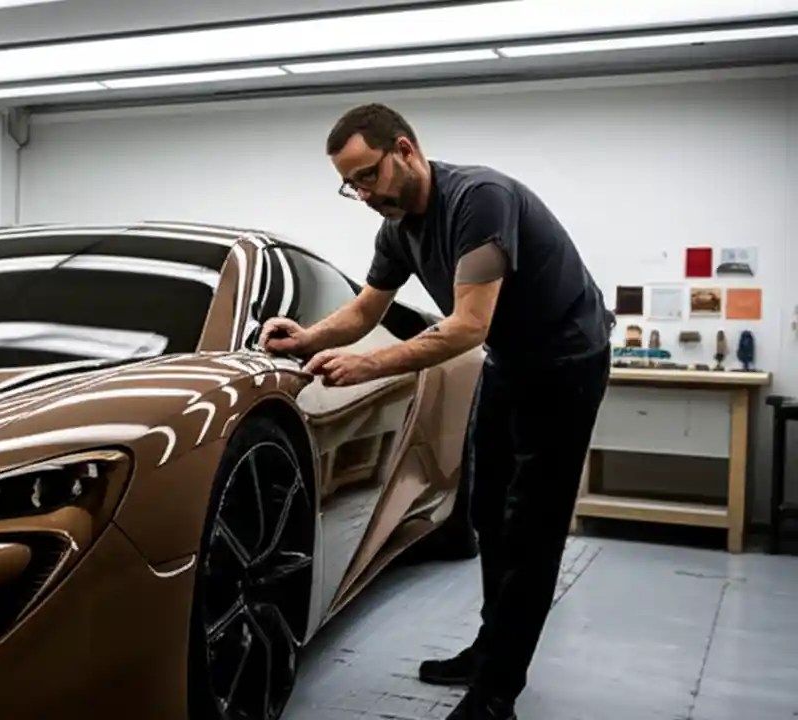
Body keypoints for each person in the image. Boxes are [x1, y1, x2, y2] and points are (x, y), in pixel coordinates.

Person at [261, 103, 612, 720]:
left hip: (566, 364)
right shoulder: (397, 227)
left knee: (532, 527)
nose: (364, 194)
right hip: (511, 361)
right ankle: (488, 648)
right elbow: (365, 311)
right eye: (352, 185)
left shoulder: (480, 200)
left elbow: (467, 327)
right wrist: (308, 339)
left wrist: (368, 366)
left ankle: (497, 694)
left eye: (368, 175)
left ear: (405, 149)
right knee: (487, 511)